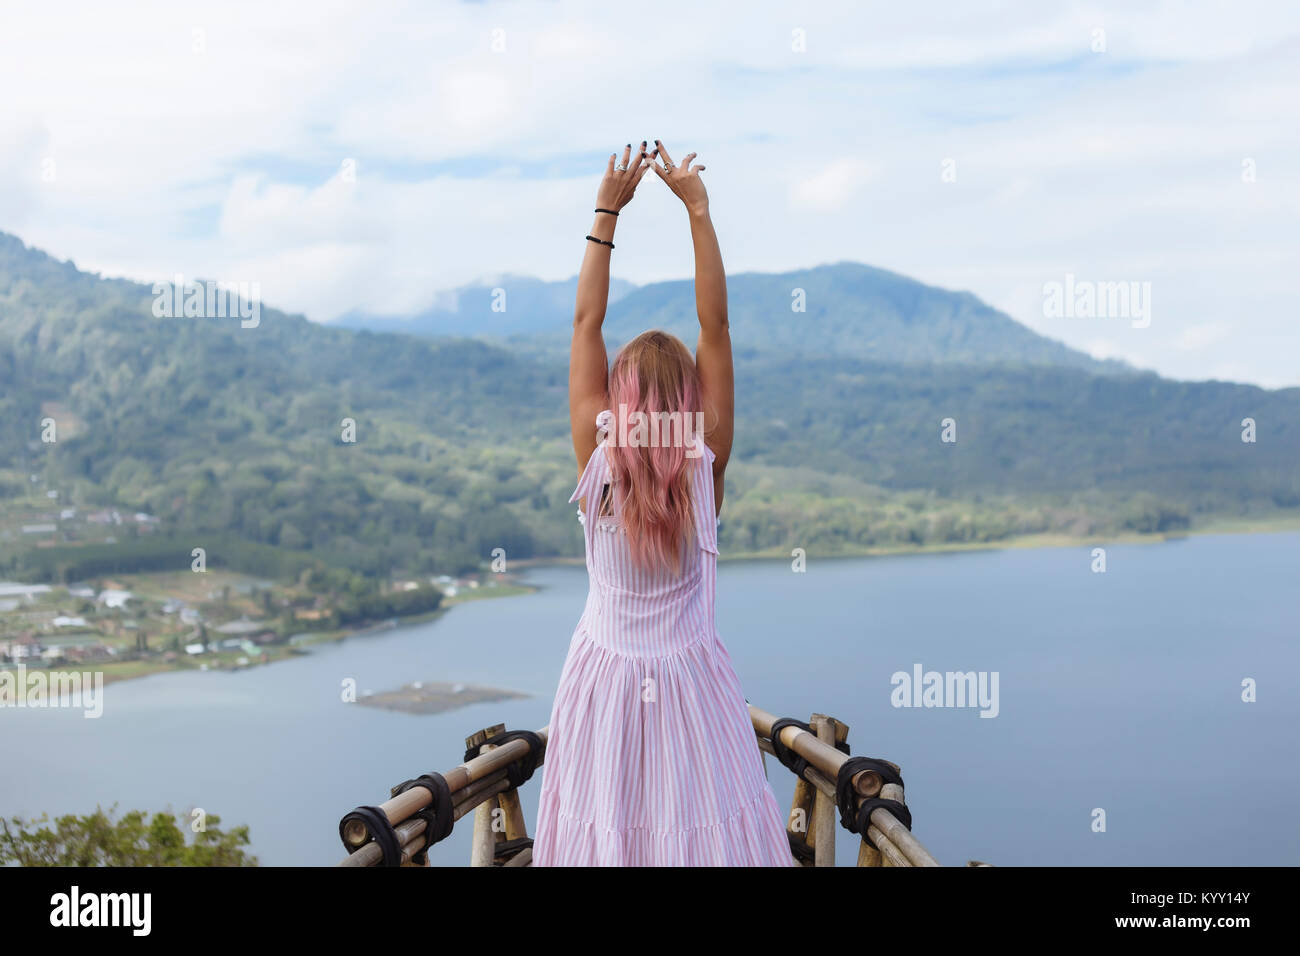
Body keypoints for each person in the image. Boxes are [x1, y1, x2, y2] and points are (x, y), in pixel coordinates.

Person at [531, 140, 797, 866]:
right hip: (692, 684)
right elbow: (718, 327)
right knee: (702, 827)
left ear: (619, 398)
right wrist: (699, 210)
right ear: (690, 397)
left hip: (601, 679)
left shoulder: (599, 457)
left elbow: (585, 324)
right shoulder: (704, 461)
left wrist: (606, 212)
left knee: (607, 828)